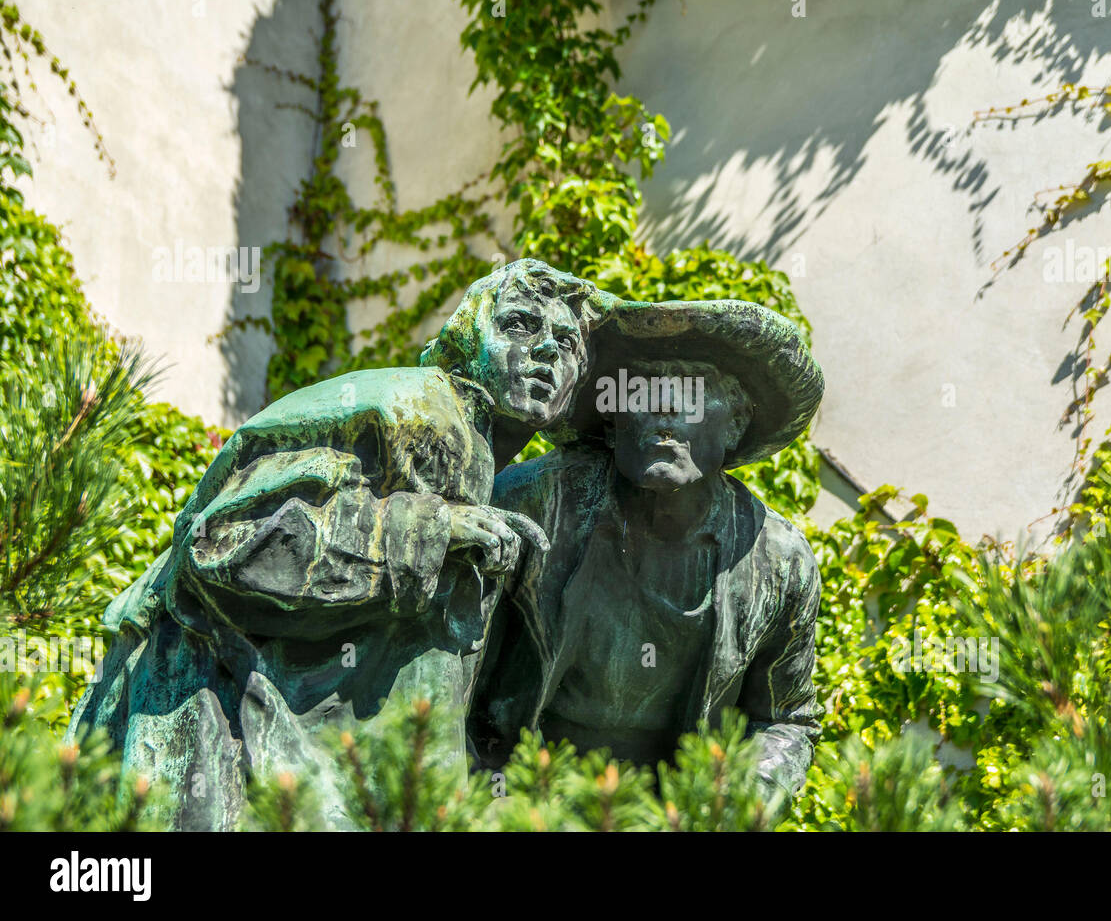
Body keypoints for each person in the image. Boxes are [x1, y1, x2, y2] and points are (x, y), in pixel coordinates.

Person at [70, 259, 607, 829]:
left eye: (568, 342)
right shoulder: (425, 416)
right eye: (521, 325)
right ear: (469, 340)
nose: (548, 351)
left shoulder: (478, 454)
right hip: (207, 702)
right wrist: (432, 530)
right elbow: (218, 542)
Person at [469, 298, 825, 804]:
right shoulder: (529, 504)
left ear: (736, 424)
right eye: (642, 397)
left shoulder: (778, 561)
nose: (664, 417)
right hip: (520, 798)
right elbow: (441, 664)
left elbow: (786, 719)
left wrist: (743, 801)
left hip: (672, 811)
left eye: (689, 398)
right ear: (612, 425)